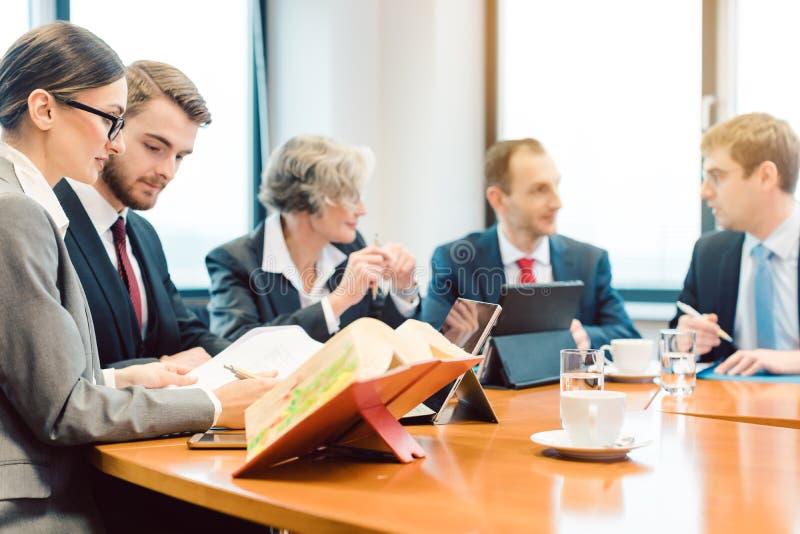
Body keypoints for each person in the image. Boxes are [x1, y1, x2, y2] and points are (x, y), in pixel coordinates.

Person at [0, 22, 274, 531]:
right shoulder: (17, 213)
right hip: (37, 508)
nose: (117, 145)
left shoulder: (33, 208)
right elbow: (63, 410)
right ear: (43, 110)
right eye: (111, 120)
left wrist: (126, 376)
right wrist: (215, 403)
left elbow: (35, 383)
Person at [54, 60, 228, 369]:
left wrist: (254, 361)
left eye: (179, 157)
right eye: (154, 147)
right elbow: (53, 383)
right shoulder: (50, 221)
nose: (168, 171)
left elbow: (183, 331)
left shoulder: (143, 234)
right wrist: (156, 372)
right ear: (113, 130)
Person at [421, 138, 638, 348]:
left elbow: (628, 336)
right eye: (539, 190)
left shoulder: (589, 261)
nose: (557, 203)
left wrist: (585, 337)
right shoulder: (455, 261)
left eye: (555, 185)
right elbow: (426, 345)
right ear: (498, 199)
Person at [206, 134, 420, 342]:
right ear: (307, 200)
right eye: (350, 197)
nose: (362, 210)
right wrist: (339, 300)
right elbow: (235, 346)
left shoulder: (349, 247)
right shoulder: (234, 260)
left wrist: (404, 289)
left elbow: (377, 333)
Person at [671, 112, 800, 376]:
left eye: (716, 176)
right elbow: (678, 335)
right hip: (730, 406)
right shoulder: (709, 253)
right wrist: (683, 340)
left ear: (765, 176)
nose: (704, 191)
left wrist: (791, 360)